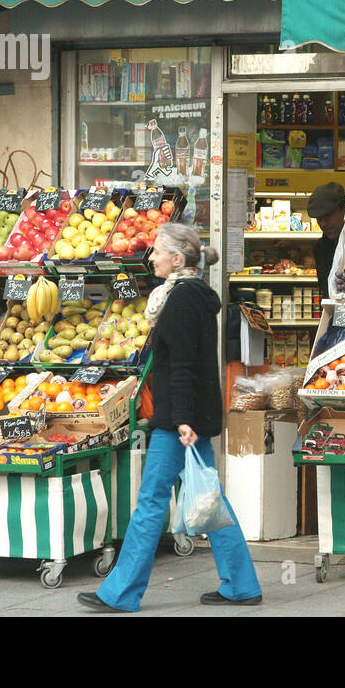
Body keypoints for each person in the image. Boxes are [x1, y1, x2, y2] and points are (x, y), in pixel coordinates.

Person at [79, 222, 262, 611]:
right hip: (188, 416)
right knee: (212, 500)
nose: (152, 258)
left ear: (177, 259)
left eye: (158, 252)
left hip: (179, 421)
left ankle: (121, 593)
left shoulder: (179, 301)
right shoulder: (192, 297)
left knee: (151, 502)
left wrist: (180, 421)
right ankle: (242, 585)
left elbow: (181, 366)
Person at [306, 182, 345, 298]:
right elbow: (326, 291)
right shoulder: (320, 249)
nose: (323, 224)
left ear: (344, 209)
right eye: (319, 219)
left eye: (328, 216)